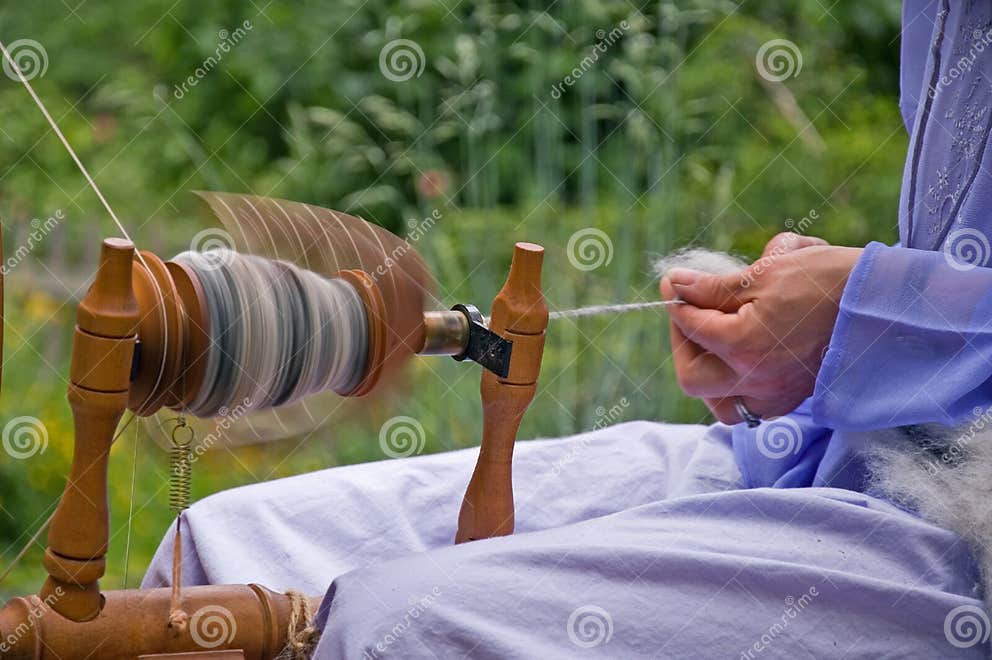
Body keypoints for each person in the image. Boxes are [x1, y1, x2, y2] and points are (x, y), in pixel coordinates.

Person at [145, 1, 992, 657]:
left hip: (966, 540)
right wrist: (835, 335)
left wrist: (887, 316)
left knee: (392, 626)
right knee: (227, 543)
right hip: (844, 452)